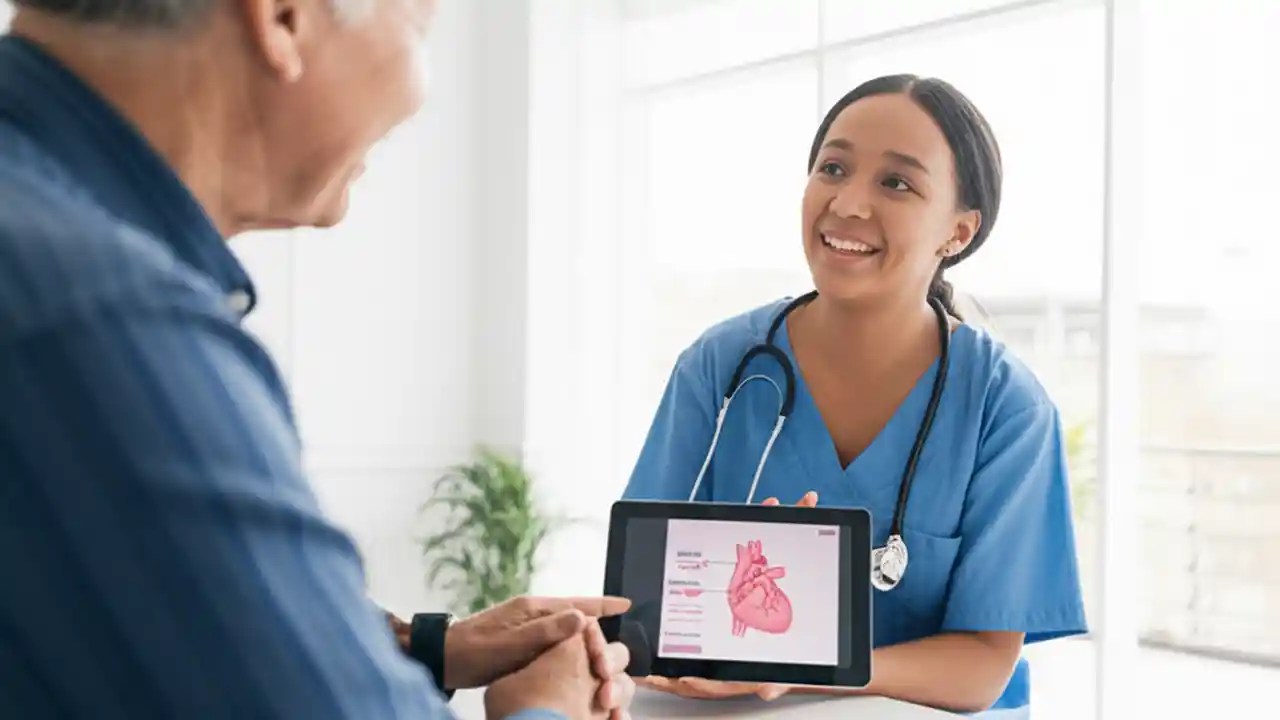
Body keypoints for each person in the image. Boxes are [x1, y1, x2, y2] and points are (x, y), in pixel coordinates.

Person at [0, 1, 635, 718]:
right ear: (282, 17)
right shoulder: (103, 320)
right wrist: (549, 709)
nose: (420, 93)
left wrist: (422, 646)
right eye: (420, 30)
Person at [622, 74, 1087, 716]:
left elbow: (981, 663)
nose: (847, 203)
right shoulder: (720, 367)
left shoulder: (1005, 408)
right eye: (833, 168)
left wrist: (800, 666)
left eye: (896, 182)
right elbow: (641, 611)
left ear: (958, 232)